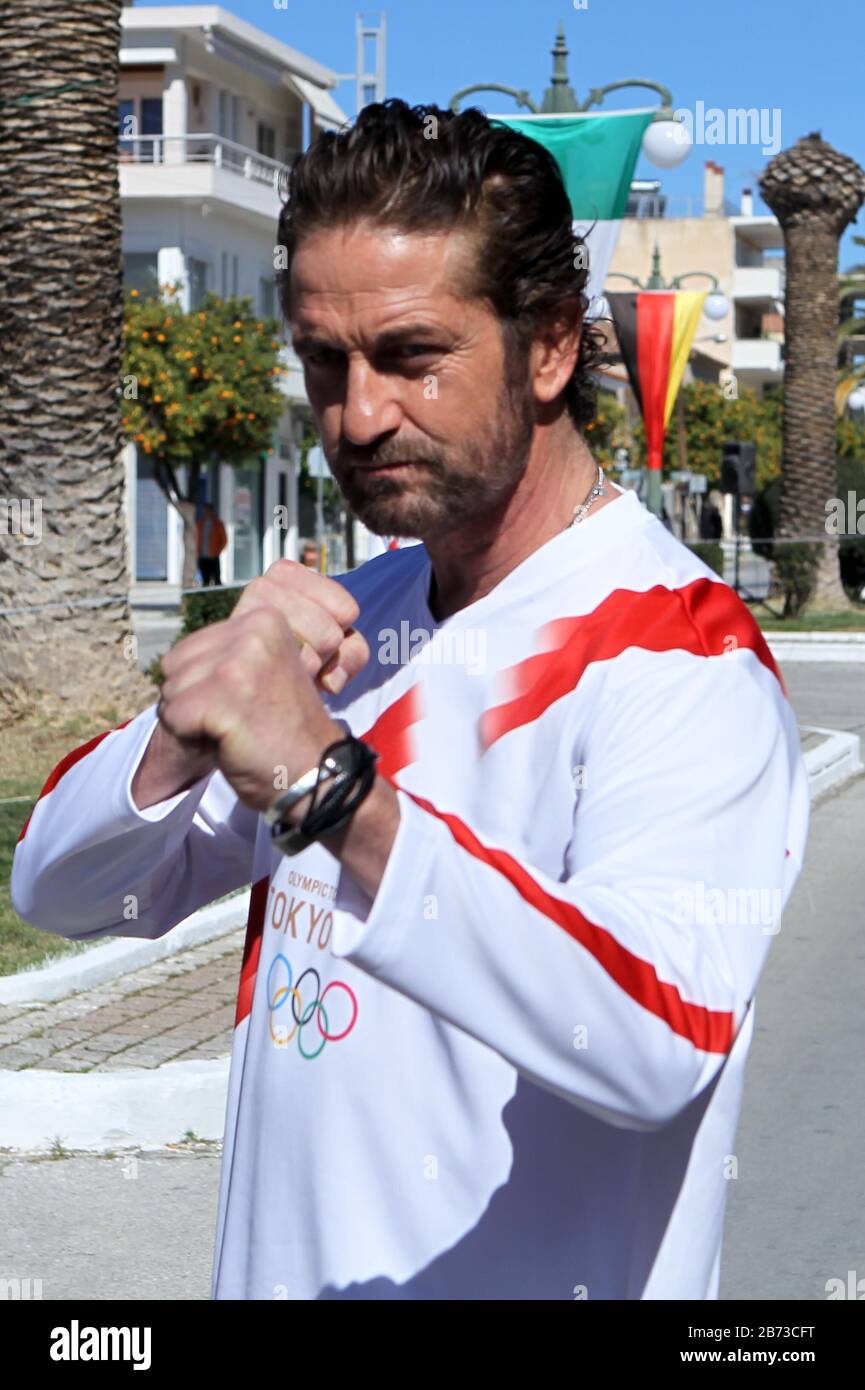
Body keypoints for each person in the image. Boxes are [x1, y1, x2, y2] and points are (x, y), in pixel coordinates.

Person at [12, 99, 808, 1302]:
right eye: (324, 360)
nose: (359, 413)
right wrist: (186, 730)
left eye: (410, 355)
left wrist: (337, 792)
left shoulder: (677, 650)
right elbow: (61, 890)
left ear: (547, 346)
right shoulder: (356, 617)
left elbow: (657, 1039)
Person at [195, 502, 227, 586]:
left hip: (213, 556)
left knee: (217, 579)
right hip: (203, 557)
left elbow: (224, 540)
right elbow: (195, 538)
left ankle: (218, 597)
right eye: (205, 511)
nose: (206, 513)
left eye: (208, 511)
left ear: (211, 511)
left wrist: (217, 551)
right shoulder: (199, 524)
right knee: (205, 579)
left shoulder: (218, 524)